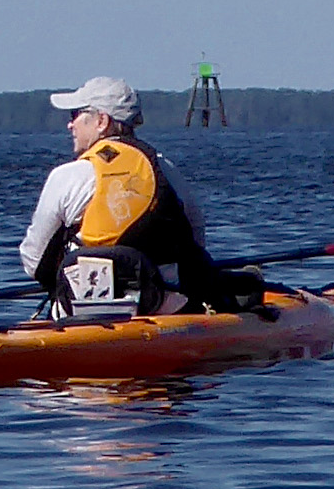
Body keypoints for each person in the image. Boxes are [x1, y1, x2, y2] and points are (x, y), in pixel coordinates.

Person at [18, 77, 256, 317]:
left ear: (102, 121)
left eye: (75, 115)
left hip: (83, 313)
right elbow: (196, 244)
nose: (70, 125)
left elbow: (35, 263)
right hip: (163, 307)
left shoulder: (67, 176)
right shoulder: (166, 170)